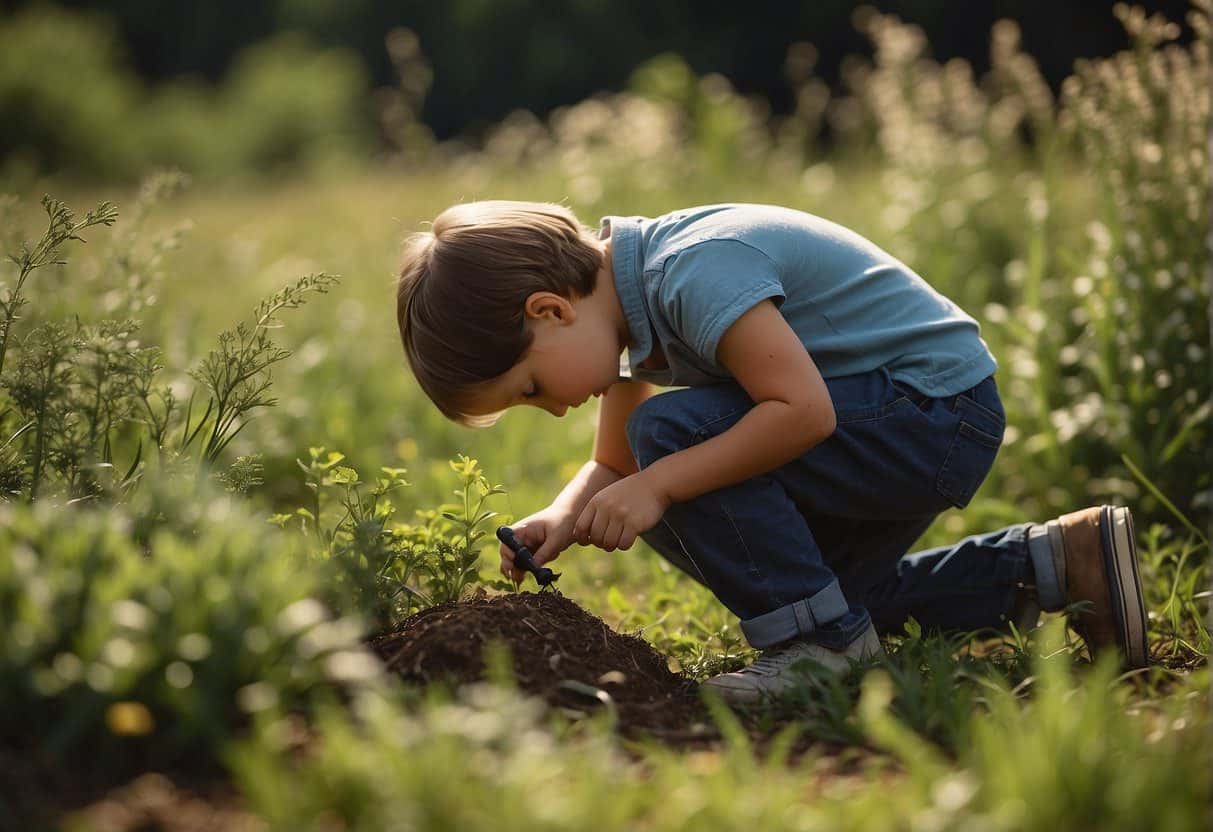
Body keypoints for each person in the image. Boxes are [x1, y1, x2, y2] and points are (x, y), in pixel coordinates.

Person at [394, 200, 1149, 705]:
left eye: (529, 387)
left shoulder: (689, 270)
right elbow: (616, 466)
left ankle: (817, 646)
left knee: (668, 446)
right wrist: (562, 516)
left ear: (550, 311)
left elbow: (802, 412)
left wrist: (655, 486)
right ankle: (1058, 562)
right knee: (826, 589)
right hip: (898, 424)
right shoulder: (627, 311)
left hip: (932, 416)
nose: (553, 408)